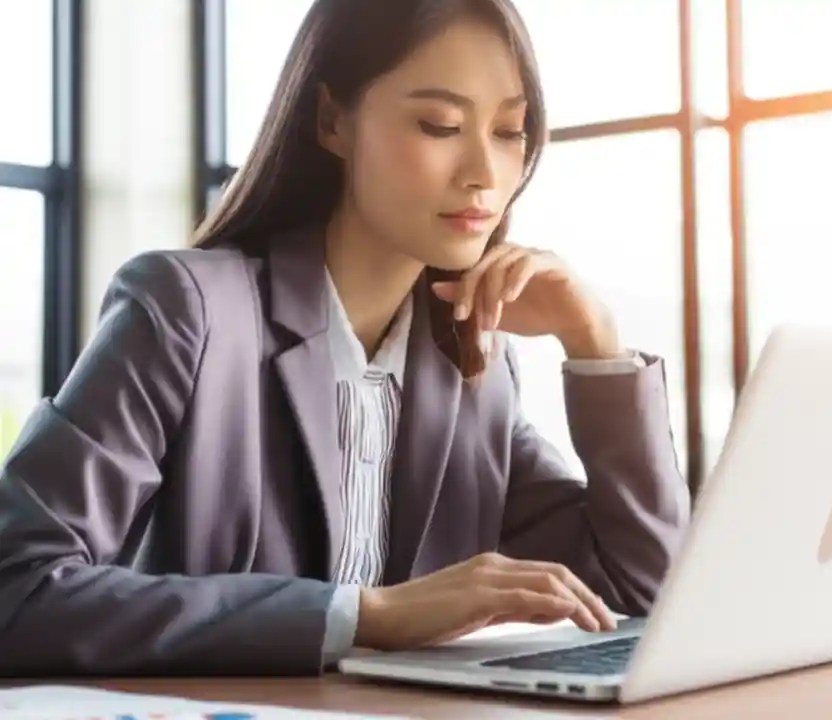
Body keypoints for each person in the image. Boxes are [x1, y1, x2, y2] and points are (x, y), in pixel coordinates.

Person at [0, 0, 690, 676]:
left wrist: (594, 342)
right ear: (333, 120)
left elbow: (640, 594)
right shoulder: (186, 312)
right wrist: (365, 615)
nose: (484, 171)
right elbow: (18, 589)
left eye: (510, 131)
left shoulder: (471, 367)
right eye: (439, 123)